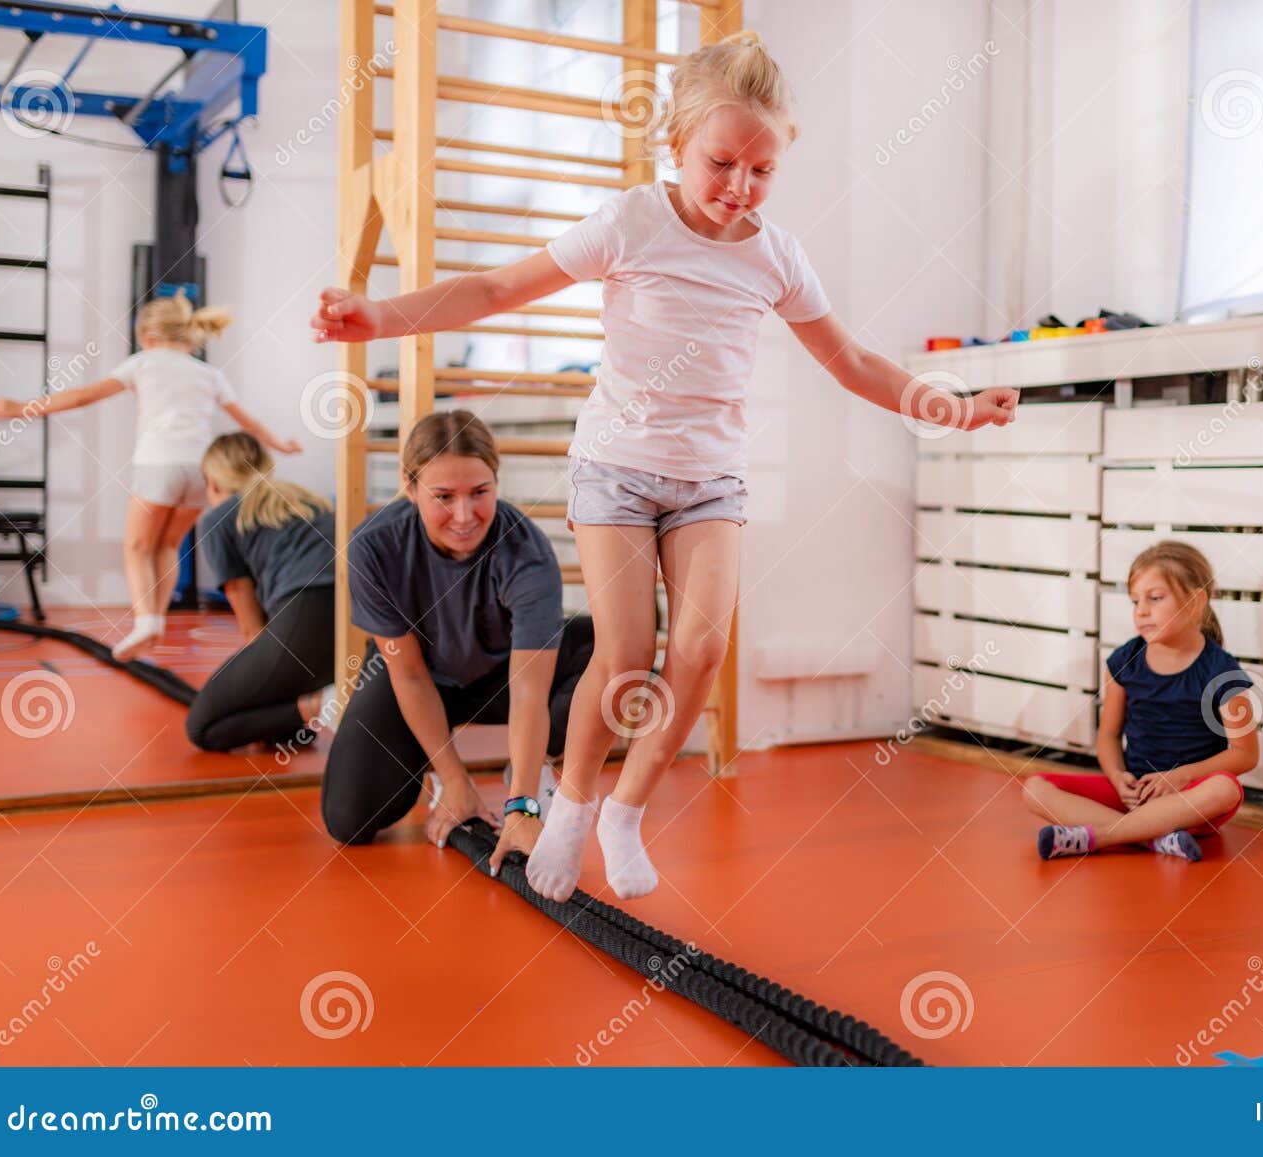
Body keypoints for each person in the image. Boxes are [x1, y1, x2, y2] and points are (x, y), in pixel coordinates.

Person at [310, 32, 1019, 899]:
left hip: (709, 479)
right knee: (629, 648)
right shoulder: (631, 223)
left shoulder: (775, 255)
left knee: (700, 645)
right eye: (721, 163)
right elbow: (497, 290)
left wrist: (944, 405)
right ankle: (571, 805)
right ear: (676, 143)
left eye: (762, 172)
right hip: (614, 468)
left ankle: (626, 809)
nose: (739, 189)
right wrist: (377, 316)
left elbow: (851, 360)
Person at [321, 411, 591, 879]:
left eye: (480, 493)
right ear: (410, 488)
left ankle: (531, 767)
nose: (465, 517)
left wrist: (522, 807)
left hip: (498, 680)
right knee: (349, 819)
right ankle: (429, 762)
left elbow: (528, 691)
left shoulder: (526, 552)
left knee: (606, 651)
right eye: (443, 497)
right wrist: (454, 781)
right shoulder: (373, 547)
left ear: (495, 481)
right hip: (419, 677)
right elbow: (408, 674)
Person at [0, 294, 300, 659]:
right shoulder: (208, 373)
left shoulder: (143, 362)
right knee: (168, 545)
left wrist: (20, 409)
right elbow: (246, 420)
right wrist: (280, 444)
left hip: (159, 463)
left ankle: (145, 623)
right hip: (202, 471)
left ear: (148, 337)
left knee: (137, 547)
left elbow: (81, 398)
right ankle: (156, 622)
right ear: (187, 335)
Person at [1022, 541, 1258, 862]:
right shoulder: (1124, 661)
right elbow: (1107, 735)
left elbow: (1245, 754)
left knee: (1225, 789)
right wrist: (1118, 778)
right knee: (1035, 787)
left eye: (1155, 598)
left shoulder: (1223, 672)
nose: (1142, 611)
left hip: (1186, 802)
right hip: (1135, 796)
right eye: (1135, 601)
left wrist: (1181, 777)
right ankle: (1155, 839)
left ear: (1195, 601)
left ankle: (1102, 836)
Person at [185, 433, 337, 753]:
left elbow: (251, 627)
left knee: (203, 728)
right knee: (282, 732)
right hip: (354, 627)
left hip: (304, 620)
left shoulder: (219, 518)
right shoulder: (308, 498)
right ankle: (318, 702)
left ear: (211, 481)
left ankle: (323, 704)